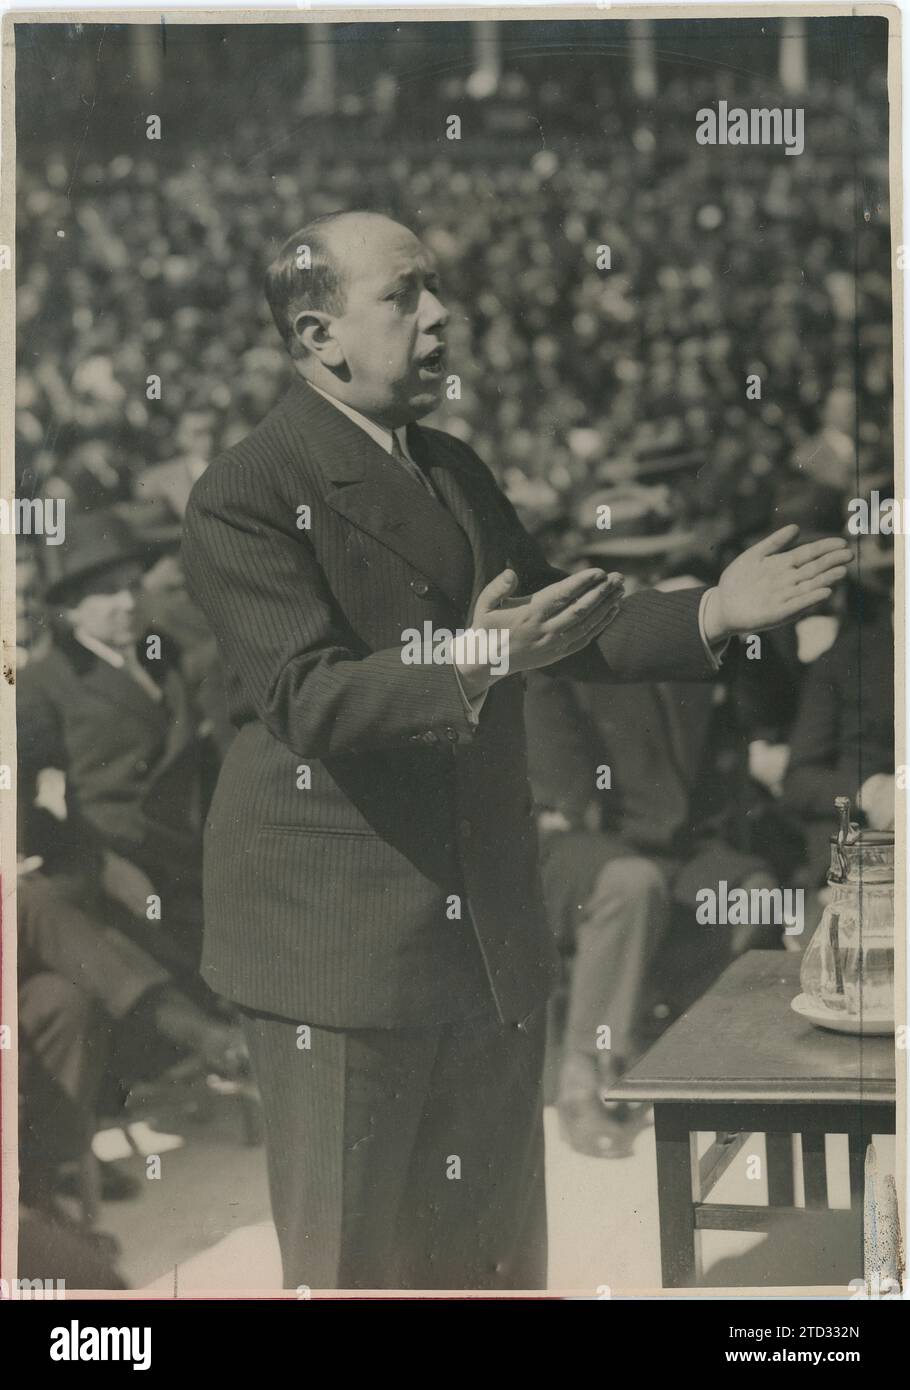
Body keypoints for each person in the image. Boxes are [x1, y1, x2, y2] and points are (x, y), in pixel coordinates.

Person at [182, 210, 852, 1290]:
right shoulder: (248, 493)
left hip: (481, 934)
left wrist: (711, 611)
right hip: (340, 952)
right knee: (360, 1268)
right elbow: (305, 698)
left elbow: (564, 621)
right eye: (406, 295)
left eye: (436, 288)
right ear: (319, 335)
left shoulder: (448, 466)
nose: (443, 316)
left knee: (487, 1265)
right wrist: (478, 654)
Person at [525, 485, 778, 1157]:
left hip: (674, 844)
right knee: (632, 884)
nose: (634, 586)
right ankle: (584, 1078)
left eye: (652, 568)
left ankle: (693, 1063)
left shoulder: (689, 651)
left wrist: (719, 627)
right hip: (579, 845)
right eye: (619, 569)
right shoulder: (556, 652)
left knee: (751, 891)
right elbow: (564, 792)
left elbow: (767, 709)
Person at [18, 510, 218, 982]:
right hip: (126, 865)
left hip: (199, 849)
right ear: (70, 607)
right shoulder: (46, 683)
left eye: (132, 585)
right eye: (106, 592)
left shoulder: (162, 651)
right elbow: (29, 802)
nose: (126, 603)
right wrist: (101, 864)